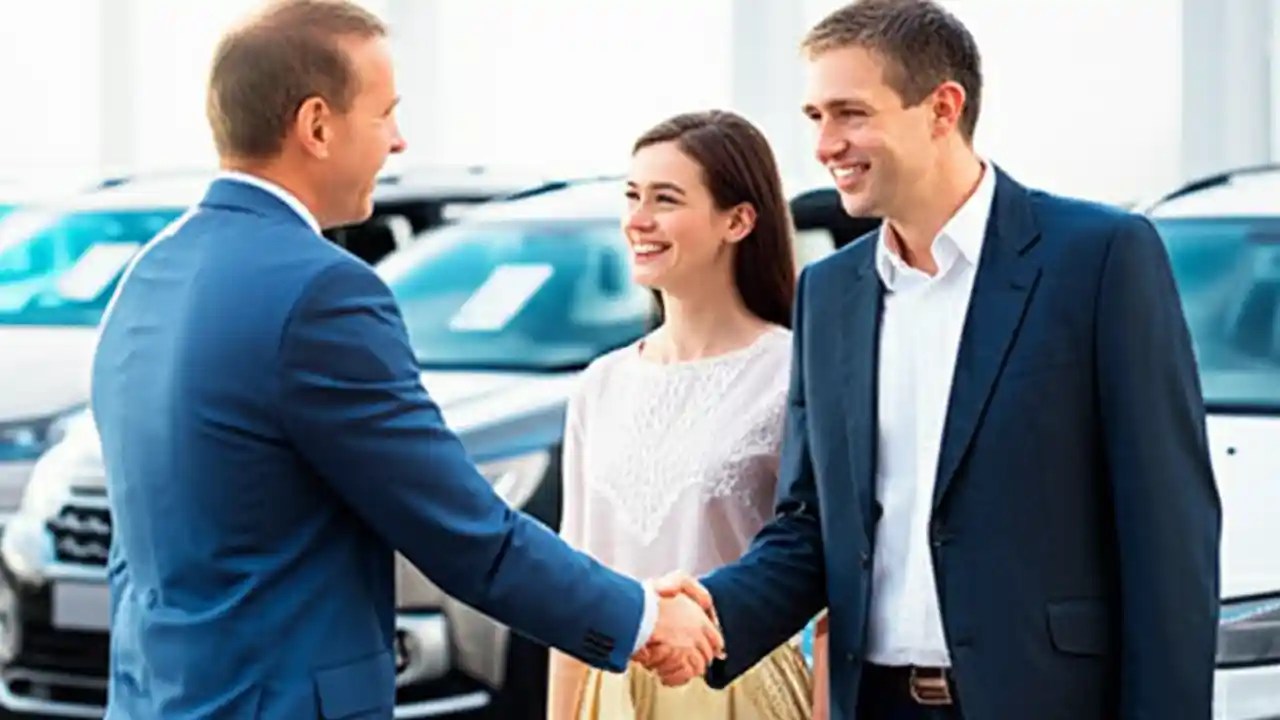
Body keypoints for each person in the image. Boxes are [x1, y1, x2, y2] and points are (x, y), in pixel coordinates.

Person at [89, 2, 720, 718]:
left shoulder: (148, 274)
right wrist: (643, 619)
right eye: (384, 113)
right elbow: (460, 530)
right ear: (317, 126)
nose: (398, 140)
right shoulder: (322, 290)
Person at [639, 1, 1221, 719]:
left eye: (850, 114)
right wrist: (711, 611)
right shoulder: (831, 293)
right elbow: (809, 525)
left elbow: (1168, 538)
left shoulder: (1100, 259)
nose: (825, 145)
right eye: (815, 116)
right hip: (876, 704)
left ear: (943, 108)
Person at [546, 110, 823, 720]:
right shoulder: (600, 384)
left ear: (738, 221)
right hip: (610, 692)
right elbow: (574, 585)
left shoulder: (794, 374)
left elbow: (824, 575)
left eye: (665, 199)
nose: (637, 220)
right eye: (632, 196)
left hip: (744, 691)